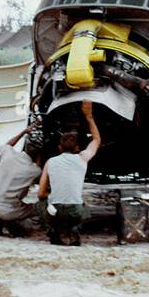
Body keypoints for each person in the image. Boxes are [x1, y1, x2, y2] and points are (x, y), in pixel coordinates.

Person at [36, 100, 101, 246]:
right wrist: (89, 116)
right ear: (78, 148)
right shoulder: (82, 159)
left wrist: (53, 195)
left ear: (59, 147)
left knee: (39, 204)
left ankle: (54, 230)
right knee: (85, 207)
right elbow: (97, 140)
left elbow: (40, 194)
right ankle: (74, 228)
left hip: (55, 213)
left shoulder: (50, 162)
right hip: (75, 213)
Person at [0, 124, 45, 237]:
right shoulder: (33, 171)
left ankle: (1, 223)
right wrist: (41, 153)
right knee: (42, 207)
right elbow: (39, 168)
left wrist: (24, 132)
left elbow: (8, 144)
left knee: (13, 200)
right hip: (9, 211)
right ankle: (15, 225)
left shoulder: (8, 154)